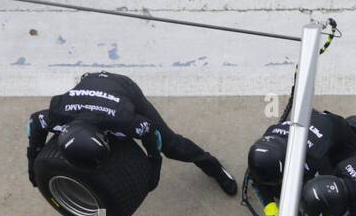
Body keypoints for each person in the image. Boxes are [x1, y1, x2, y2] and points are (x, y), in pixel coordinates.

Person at [26, 71, 236, 195]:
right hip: (89, 90)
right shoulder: (57, 114)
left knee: (172, 146)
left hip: (122, 88)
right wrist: (33, 164)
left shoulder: (125, 121)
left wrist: (154, 166)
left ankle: (214, 167)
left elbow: (152, 134)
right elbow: (34, 124)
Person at [244, 91, 356, 216]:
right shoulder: (270, 137)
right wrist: (272, 211)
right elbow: (258, 179)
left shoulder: (315, 158)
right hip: (313, 122)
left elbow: (327, 190)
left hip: (337, 132)